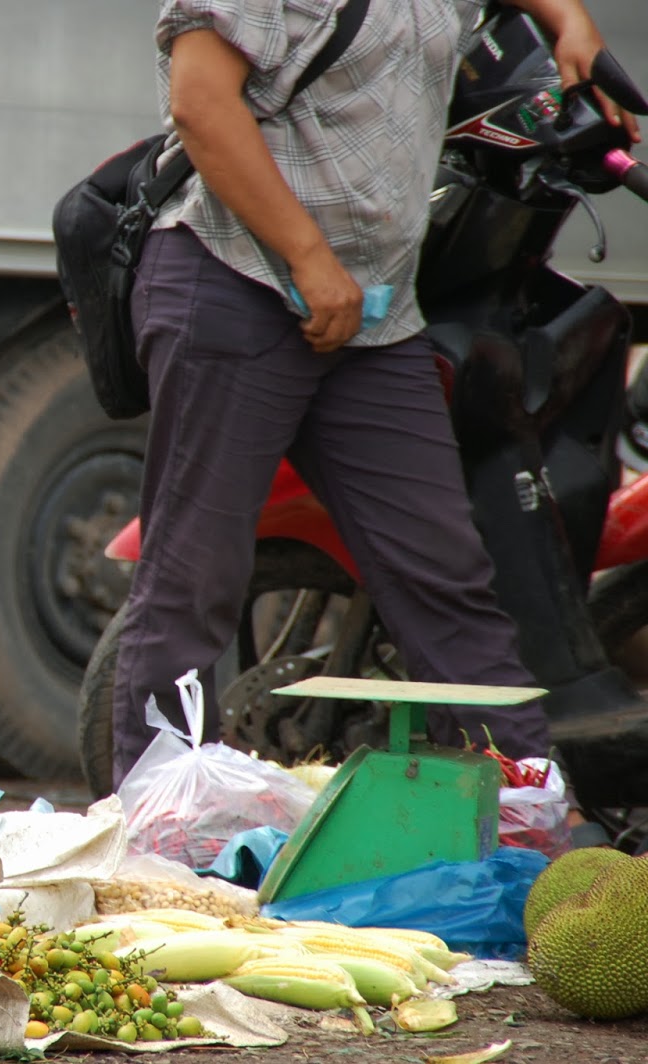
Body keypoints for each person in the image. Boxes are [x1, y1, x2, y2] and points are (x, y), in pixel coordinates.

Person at [107, 0, 642, 787]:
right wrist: (306, 257)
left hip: (373, 315)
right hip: (240, 283)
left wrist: (569, 22)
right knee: (195, 580)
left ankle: (524, 810)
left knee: (445, 575)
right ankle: (155, 825)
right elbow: (199, 101)